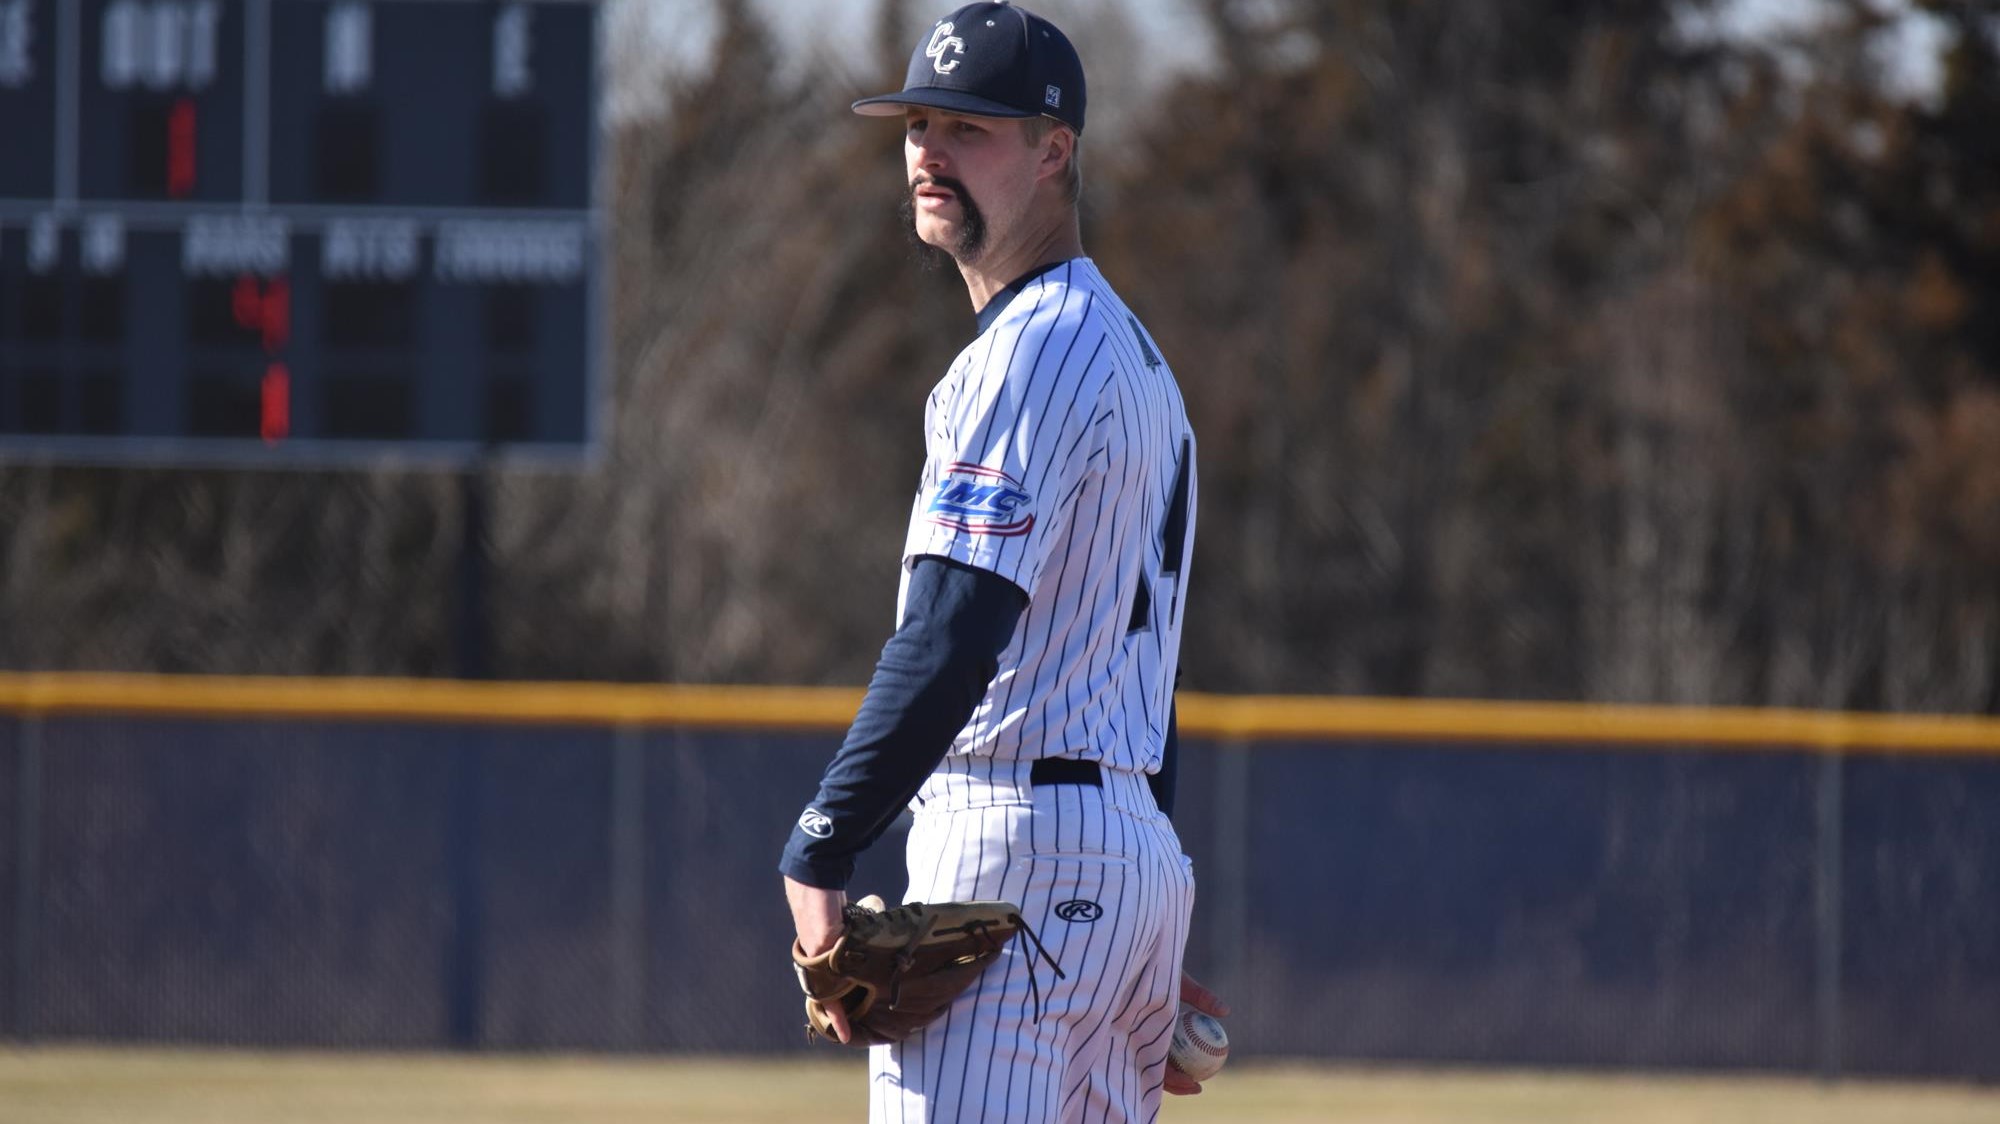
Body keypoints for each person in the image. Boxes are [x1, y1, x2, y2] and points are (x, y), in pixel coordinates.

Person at [778, 3, 1225, 1119]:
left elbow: (952, 629)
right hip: (1127, 855)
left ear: (1052, 150)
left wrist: (820, 840)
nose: (929, 149)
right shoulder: (1140, 365)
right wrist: (1137, 905)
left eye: (969, 128)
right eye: (918, 123)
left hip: (1009, 844)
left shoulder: (1023, 356)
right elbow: (1140, 679)